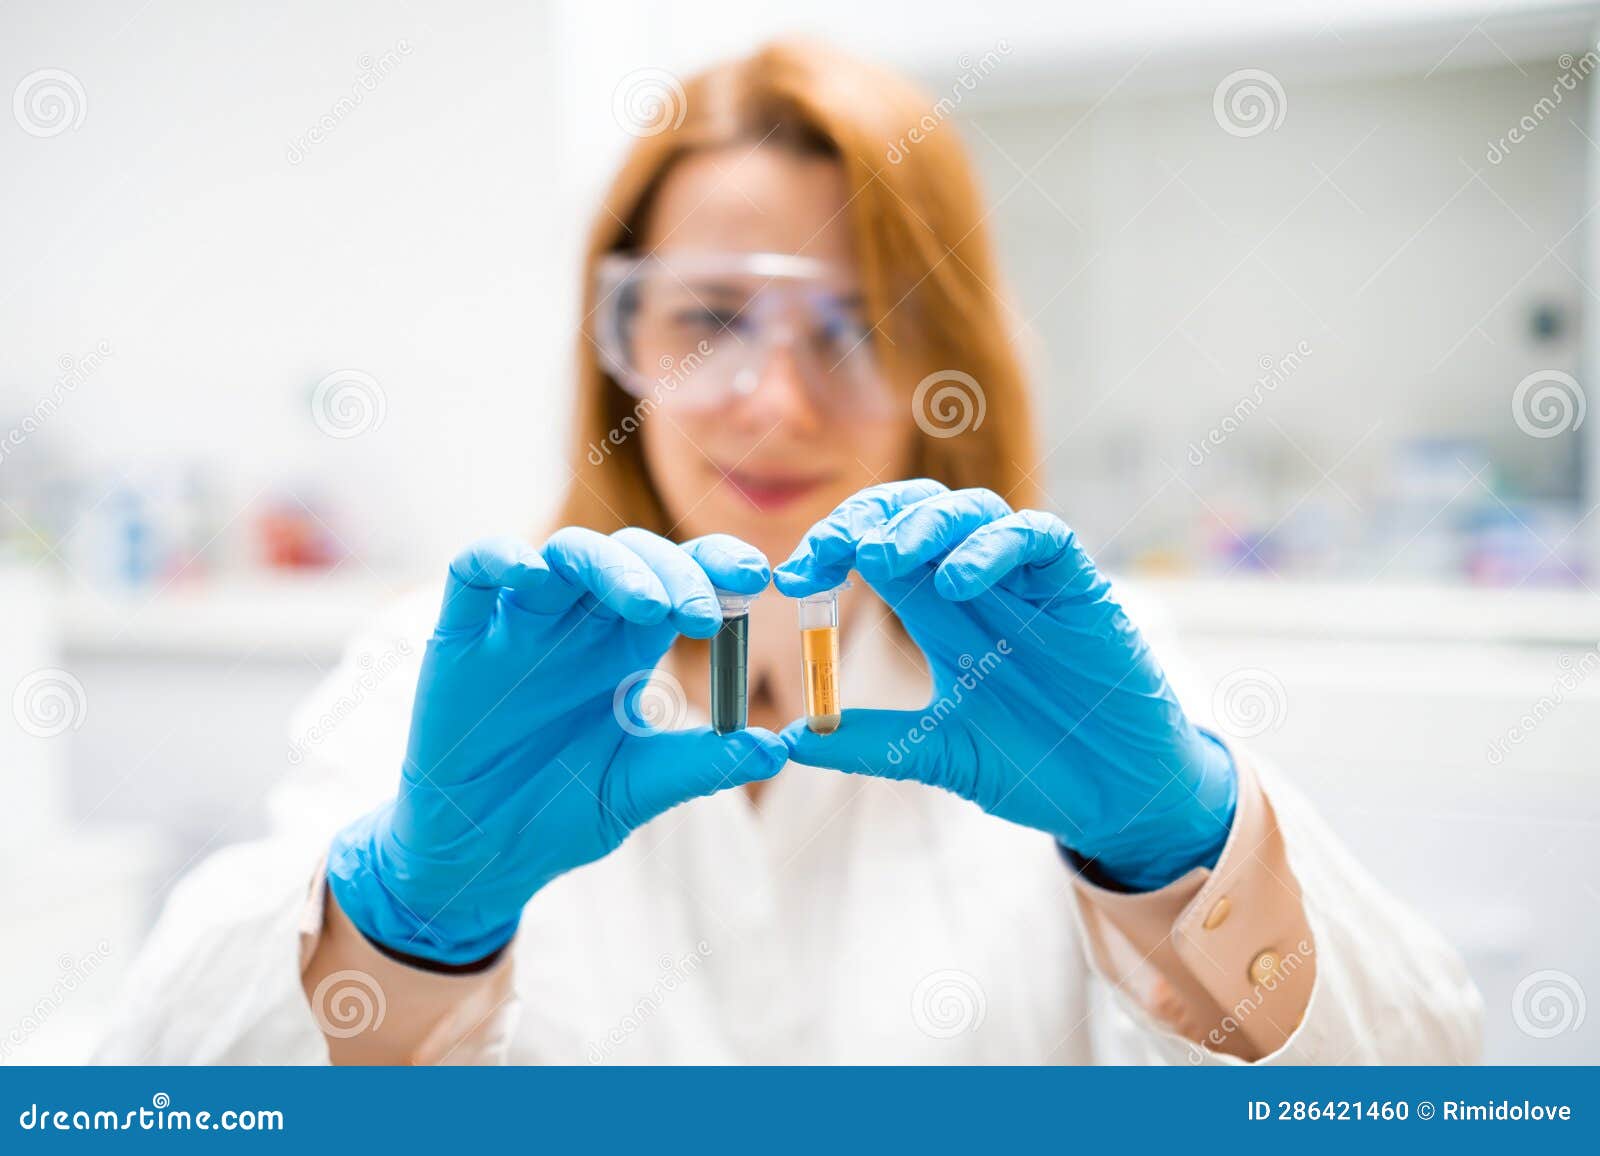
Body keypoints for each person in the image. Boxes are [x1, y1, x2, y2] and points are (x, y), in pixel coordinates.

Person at [97, 40, 1480, 1065]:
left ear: (953, 365)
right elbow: (148, 1099)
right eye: (709, 320)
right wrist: (400, 927)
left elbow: (1418, 1092)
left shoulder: (1077, 682)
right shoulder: (441, 681)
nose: (777, 401)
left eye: (860, 325)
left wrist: (1179, 860)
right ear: (621, 348)